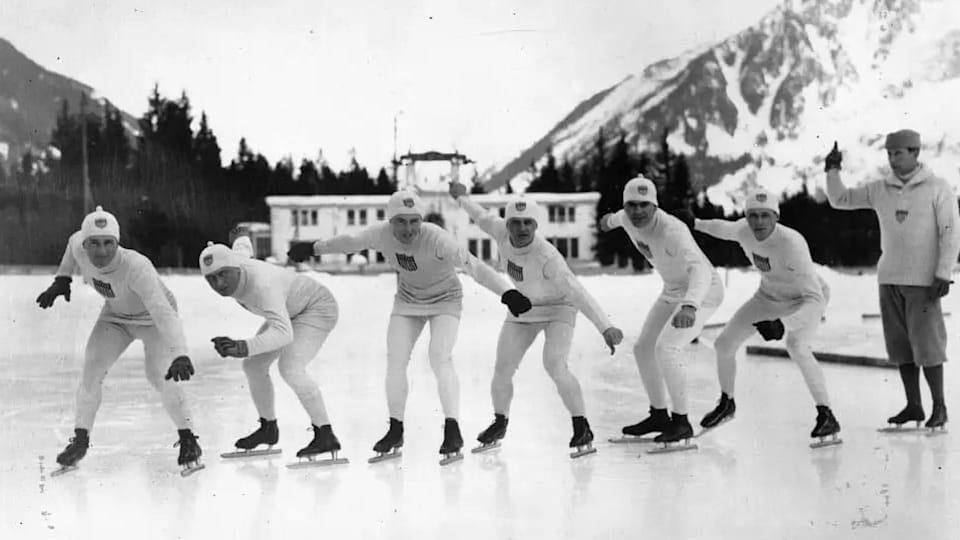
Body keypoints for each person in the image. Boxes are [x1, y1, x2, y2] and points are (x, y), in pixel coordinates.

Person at [287, 190, 532, 464]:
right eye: (401, 222)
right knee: (396, 360)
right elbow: (350, 242)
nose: (408, 229)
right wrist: (314, 248)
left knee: (439, 357)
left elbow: (474, 266)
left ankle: (452, 429)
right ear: (390, 221)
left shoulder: (437, 238)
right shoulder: (381, 234)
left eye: (414, 221)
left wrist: (507, 293)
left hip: (445, 300)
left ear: (421, 220)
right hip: (408, 301)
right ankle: (395, 429)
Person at [448, 181, 623, 458]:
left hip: (559, 309)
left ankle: (582, 426)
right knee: (503, 367)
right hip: (524, 308)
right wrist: (461, 197)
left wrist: (606, 326)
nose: (522, 229)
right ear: (507, 224)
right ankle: (500, 422)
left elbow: (577, 292)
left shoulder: (547, 257)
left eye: (528, 223)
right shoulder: (500, 231)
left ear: (536, 225)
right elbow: (480, 216)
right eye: (516, 223)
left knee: (554, 364)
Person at [36, 206, 202, 475]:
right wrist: (62, 278)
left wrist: (180, 353)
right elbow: (70, 247)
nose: (101, 251)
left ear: (117, 242)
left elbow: (163, 312)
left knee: (159, 375)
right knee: (92, 369)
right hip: (115, 317)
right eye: (94, 243)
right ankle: (80, 441)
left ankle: (189, 439)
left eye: (108, 243)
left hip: (153, 320)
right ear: (85, 243)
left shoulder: (136, 267)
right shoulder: (78, 244)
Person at [825, 131, 960, 432]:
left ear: (915, 152)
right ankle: (914, 405)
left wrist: (943, 272)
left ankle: (939, 406)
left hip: (924, 282)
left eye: (898, 153)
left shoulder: (938, 188)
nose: (892, 159)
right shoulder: (880, 189)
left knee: (928, 345)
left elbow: (951, 233)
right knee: (901, 347)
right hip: (889, 279)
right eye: (889, 153)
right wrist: (832, 170)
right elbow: (840, 199)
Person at [692, 189, 841, 446]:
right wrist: (694, 223)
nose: (758, 222)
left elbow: (815, 300)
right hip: (768, 297)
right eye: (753, 215)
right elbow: (721, 228)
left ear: (776, 217)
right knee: (724, 344)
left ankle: (826, 414)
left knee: (797, 347)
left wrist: (784, 325)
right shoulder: (743, 230)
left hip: (804, 299)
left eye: (765, 215)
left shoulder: (792, 244)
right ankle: (727, 403)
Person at [599, 175, 725, 449]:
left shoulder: (673, 230)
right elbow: (612, 219)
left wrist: (690, 305)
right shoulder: (626, 218)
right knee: (643, 348)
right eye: (631, 205)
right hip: (672, 290)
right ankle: (658, 415)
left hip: (703, 291)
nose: (637, 211)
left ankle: (681, 421)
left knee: (668, 348)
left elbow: (701, 271)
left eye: (644, 205)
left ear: (655, 206)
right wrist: (606, 222)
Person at [199, 234, 346, 465]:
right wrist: (240, 236)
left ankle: (326, 434)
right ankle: (268, 429)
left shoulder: (263, 286)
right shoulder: (235, 261)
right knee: (253, 365)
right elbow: (243, 246)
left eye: (223, 275)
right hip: (290, 309)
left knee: (290, 368)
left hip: (316, 307)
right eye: (211, 279)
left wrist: (243, 346)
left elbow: (283, 333)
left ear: (235, 268)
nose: (219, 284)